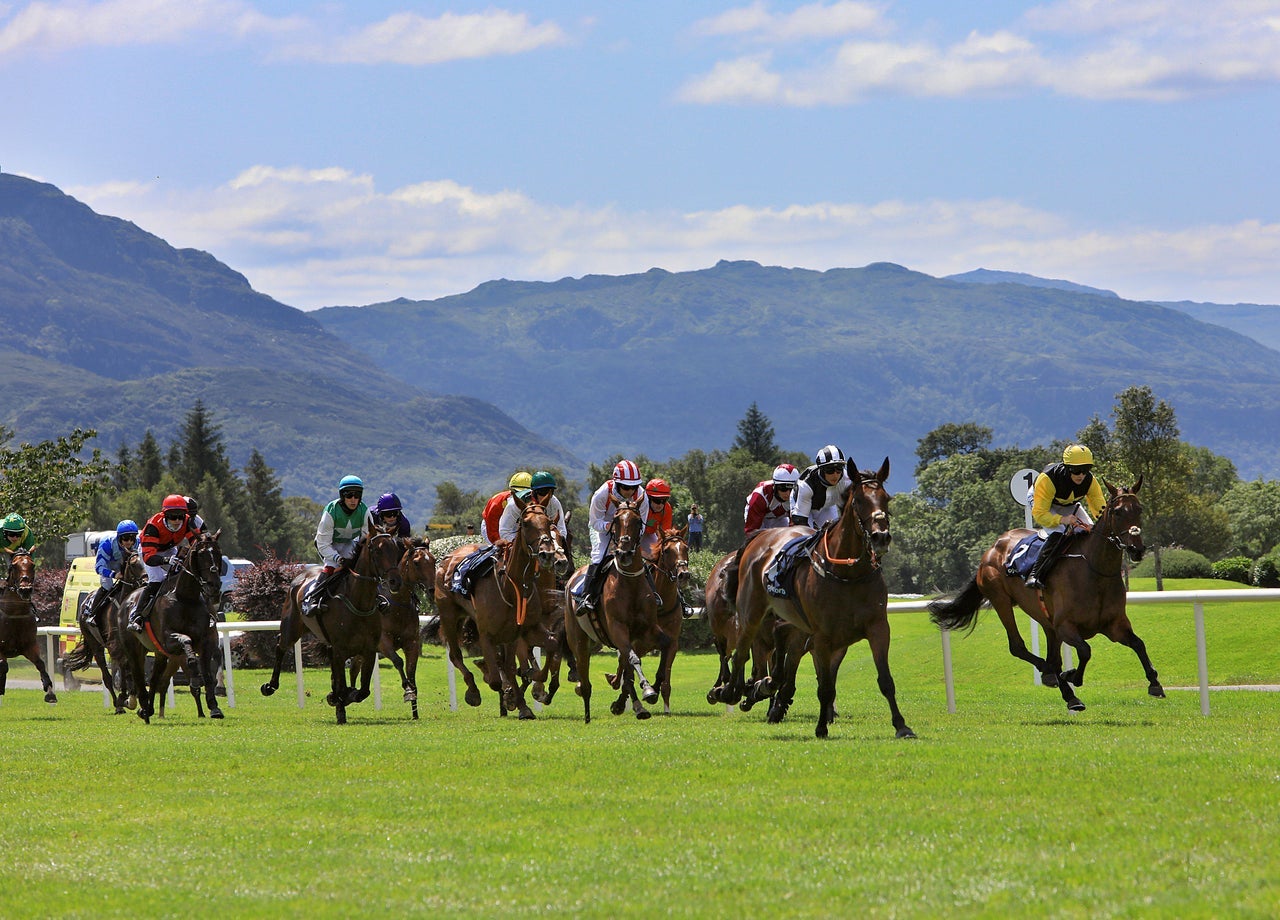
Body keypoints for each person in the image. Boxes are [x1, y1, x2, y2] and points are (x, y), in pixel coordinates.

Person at [1024, 444, 1107, 589]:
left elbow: (1100, 507)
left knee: (1092, 532)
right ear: (1067, 468)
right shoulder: (1048, 479)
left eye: (1086, 469)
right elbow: (1040, 514)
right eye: (1076, 470)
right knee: (1058, 532)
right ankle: (1035, 574)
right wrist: (1062, 519)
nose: (1081, 475)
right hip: (1043, 503)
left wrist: (1103, 524)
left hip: (1069, 504)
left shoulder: (1090, 481)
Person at [578, 459, 650, 610]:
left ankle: (653, 593)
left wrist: (628, 538)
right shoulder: (601, 494)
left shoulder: (642, 496)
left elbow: (642, 525)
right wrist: (610, 527)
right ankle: (587, 596)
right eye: (626, 487)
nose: (630, 491)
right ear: (617, 483)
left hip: (628, 530)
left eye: (634, 487)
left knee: (646, 555)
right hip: (602, 526)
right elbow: (595, 522)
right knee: (599, 555)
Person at [301, 475, 372, 616]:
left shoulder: (364, 511)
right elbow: (323, 543)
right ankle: (311, 599)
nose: (353, 499)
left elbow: (367, 538)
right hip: (328, 545)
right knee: (332, 565)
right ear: (342, 496)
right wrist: (338, 558)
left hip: (349, 543)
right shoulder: (331, 511)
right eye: (349, 495)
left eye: (357, 495)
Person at [130, 494, 203, 632]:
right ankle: (136, 615)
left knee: (185, 575)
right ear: (165, 515)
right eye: (173, 517)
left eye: (180, 516)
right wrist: (166, 560)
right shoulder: (153, 526)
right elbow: (149, 558)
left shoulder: (188, 521)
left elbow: (196, 542)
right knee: (157, 579)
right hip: (150, 551)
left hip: (169, 549)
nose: (177, 521)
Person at [83, 520, 139, 626]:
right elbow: (99, 567)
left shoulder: (139, 543)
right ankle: (93, 614)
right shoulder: (107, 543)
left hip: (126, 565)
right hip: (109, 566)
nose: (129, 542)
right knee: (107, 585)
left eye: (132, 538)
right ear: (119, 537)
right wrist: (114, 574)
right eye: (125, 538)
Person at [790, 445, 852, 529]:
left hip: (827, 506)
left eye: (839, 468)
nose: (835, 475)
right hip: (803, 506)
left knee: (834, 531)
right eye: (830, 470)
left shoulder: (846, 480)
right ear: (821, 469)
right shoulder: (806, 485)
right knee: (806, 533)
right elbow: (801, 521)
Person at [498, 470, 568, 542]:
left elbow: (561, 529)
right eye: (543, 492)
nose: (547, 496)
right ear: (534, 492)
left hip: (542, 537)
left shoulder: (554, 502)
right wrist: (521, 543)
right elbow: (504, 531)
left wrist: (557, 542)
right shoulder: (514, 504)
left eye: (551, 492)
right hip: (515, 534)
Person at [744, 463, 799, 536]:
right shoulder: (760, 495)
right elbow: (751, 530)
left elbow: (796, 526)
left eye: (792, 489)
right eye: (783, 488)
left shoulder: (798, 496)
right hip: (758, 517)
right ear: (775, 485)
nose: (788, 493)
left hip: (780, 518)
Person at [481, 471, 533, 546]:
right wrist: (499, 542)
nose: (520, 496)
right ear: (511, 490)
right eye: (516, 492)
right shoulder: (498, 501)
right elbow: (491, 524)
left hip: (513, 525)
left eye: (526, 494)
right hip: (491, 525)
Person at [641, 478, 674, 555]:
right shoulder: (641, 505)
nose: (660, 504)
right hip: (634, 533)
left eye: (664, 500)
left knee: (657, 554)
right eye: (657, 500)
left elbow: (665, 534)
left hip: (649, 534)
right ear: (649, 498)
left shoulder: (667, 508)